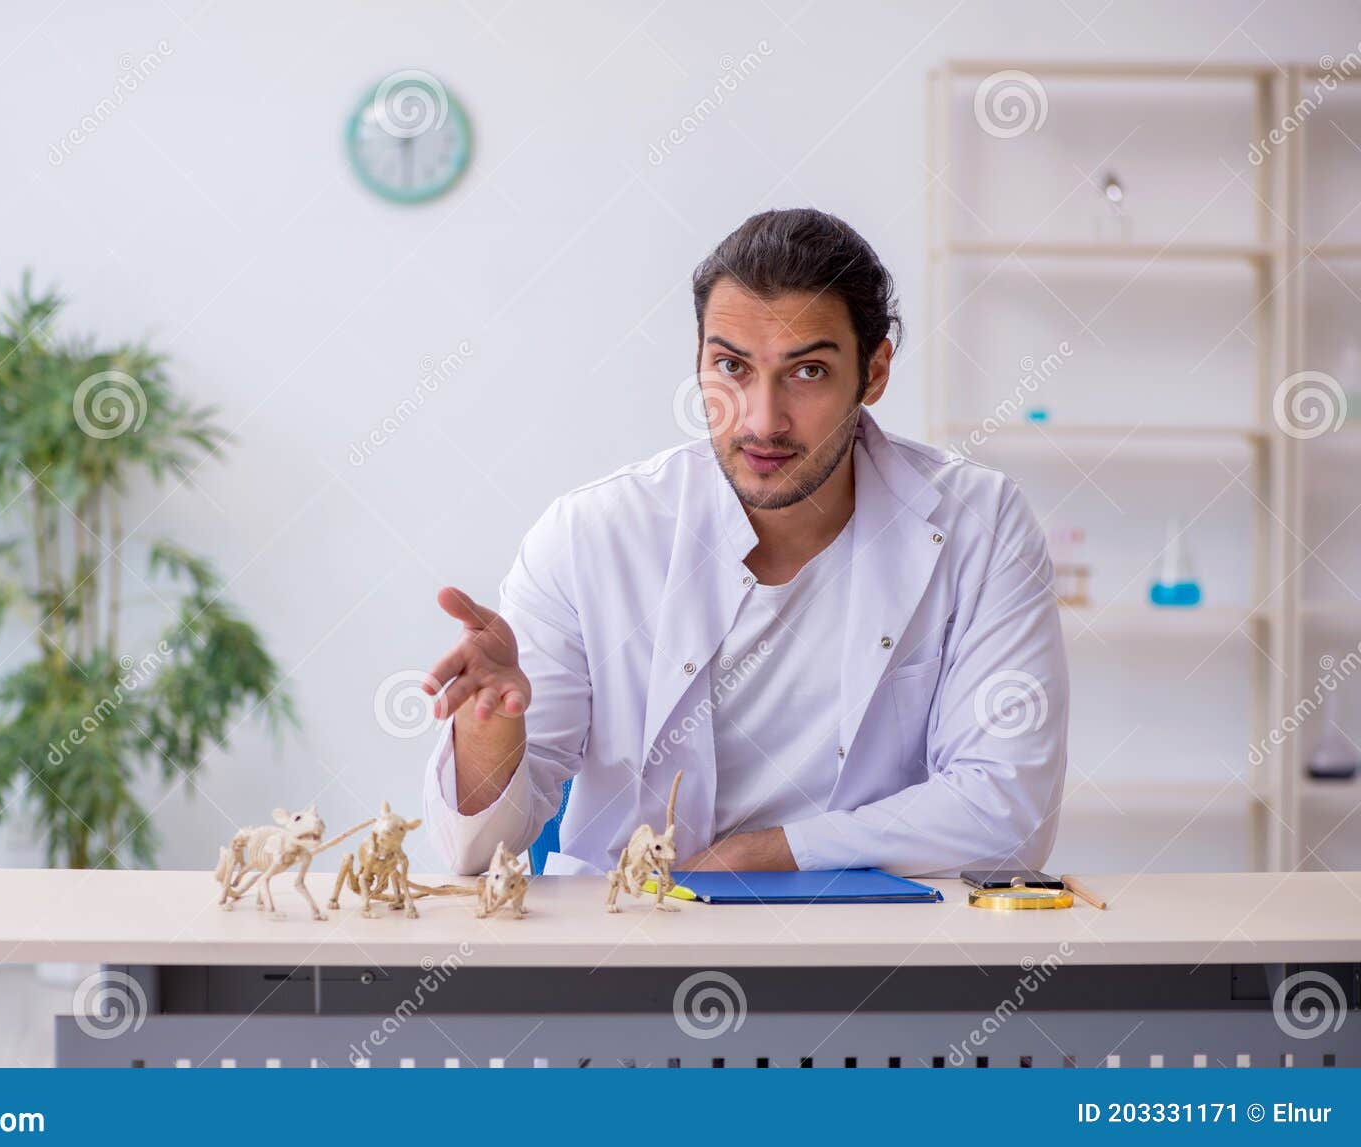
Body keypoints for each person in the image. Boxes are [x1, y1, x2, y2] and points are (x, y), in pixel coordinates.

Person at [419, 208, 1069, 878]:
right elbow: (472, 854)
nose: (762, 420)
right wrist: (487, 732)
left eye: (808, 371)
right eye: (731, 366)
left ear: (874, 373)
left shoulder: (980, 524)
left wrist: (761, 856)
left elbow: (1007, 816)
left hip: (873, 945)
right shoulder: (591, 536)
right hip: (624, 944)